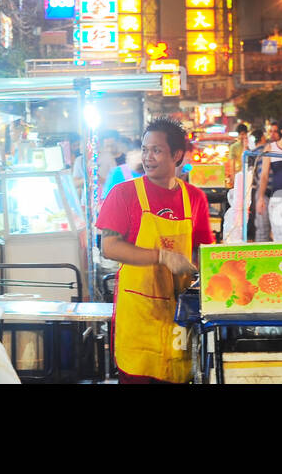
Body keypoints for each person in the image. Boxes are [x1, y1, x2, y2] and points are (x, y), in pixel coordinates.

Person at [98, 118, 212, 384]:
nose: (148, 157)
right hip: (139, 311)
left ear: (177, 155)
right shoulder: (123, 193)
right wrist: (161, 256)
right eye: (145, 149)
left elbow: (202, 250)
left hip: (178, 312)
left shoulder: (194, 197)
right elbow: (109, 247)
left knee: (176, 375)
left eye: (157, 150)